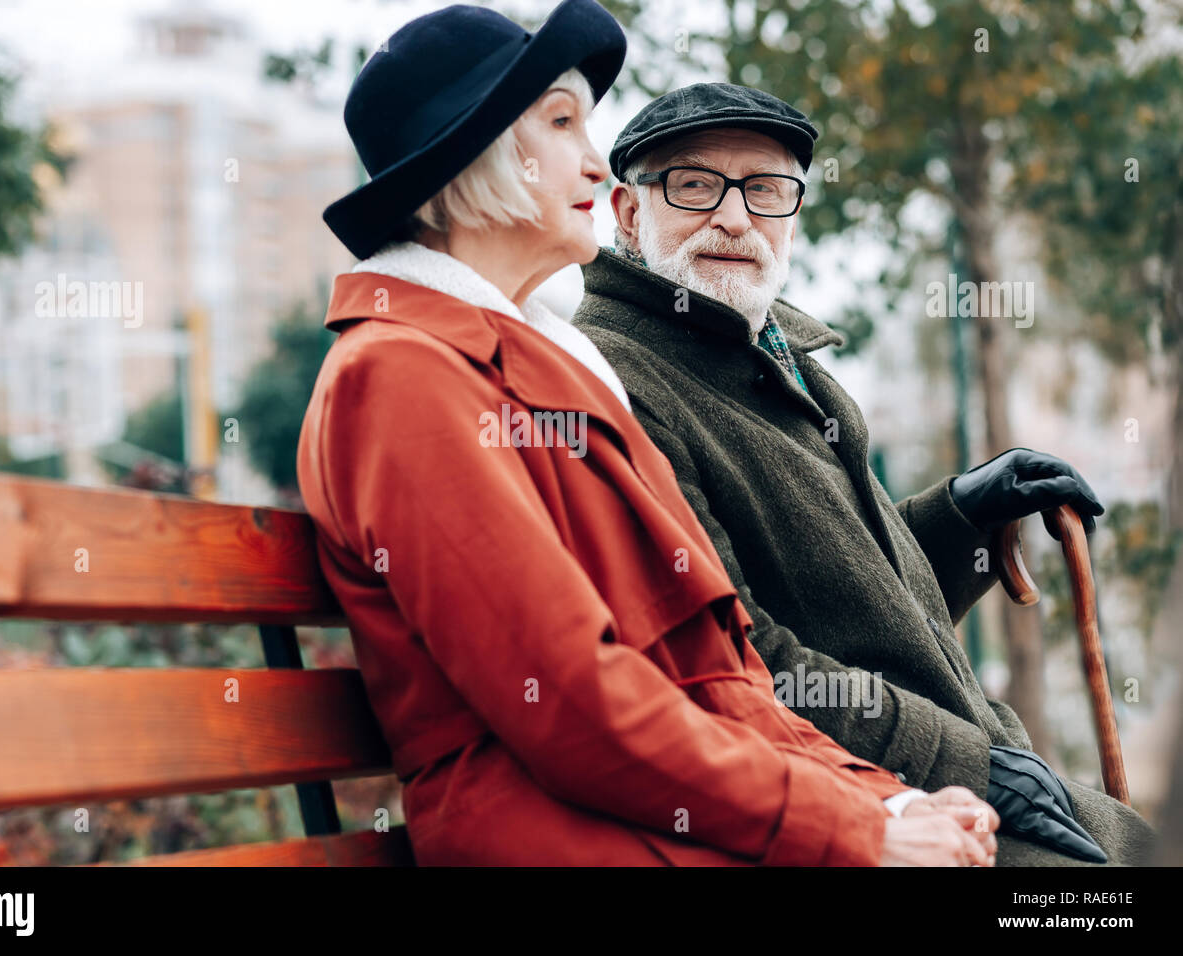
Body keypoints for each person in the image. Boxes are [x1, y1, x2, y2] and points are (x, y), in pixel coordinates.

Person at [300, 0, 999, 865]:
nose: (597, 162)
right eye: (562, 124)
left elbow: (717, 674)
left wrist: (880, 803)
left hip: (658, 816)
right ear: (475, 156)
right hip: (561, 835)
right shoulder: (400, 379)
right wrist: (855, 831)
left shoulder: (550, 369)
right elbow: (565, 703)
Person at [571, 81, 1157, 865]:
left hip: (956, 780)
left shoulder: (775, 354)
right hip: (871, 805)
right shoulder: (618, 381)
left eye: (767, 189)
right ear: (628, 212)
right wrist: (972, 767)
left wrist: (962, 515)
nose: (735, 217)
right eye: (694, 183)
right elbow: (742, 663)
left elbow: (855, 605)